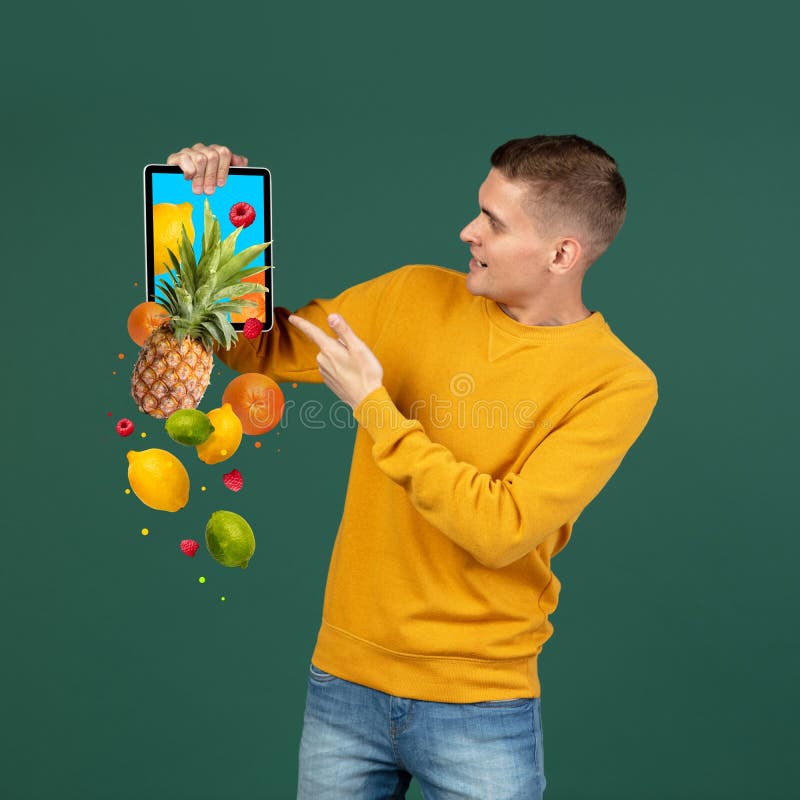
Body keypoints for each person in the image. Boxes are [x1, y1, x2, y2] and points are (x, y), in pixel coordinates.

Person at [166, 136, 659, 799]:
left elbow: (501, 528)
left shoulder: (615, 382)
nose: (468, 230)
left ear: (562, 254)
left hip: (480, 708)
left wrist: (375, 406)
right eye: (477, 210)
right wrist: (201, 211)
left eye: (494, 222)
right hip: (343, 685)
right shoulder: (410, 294)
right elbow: (257, 349)